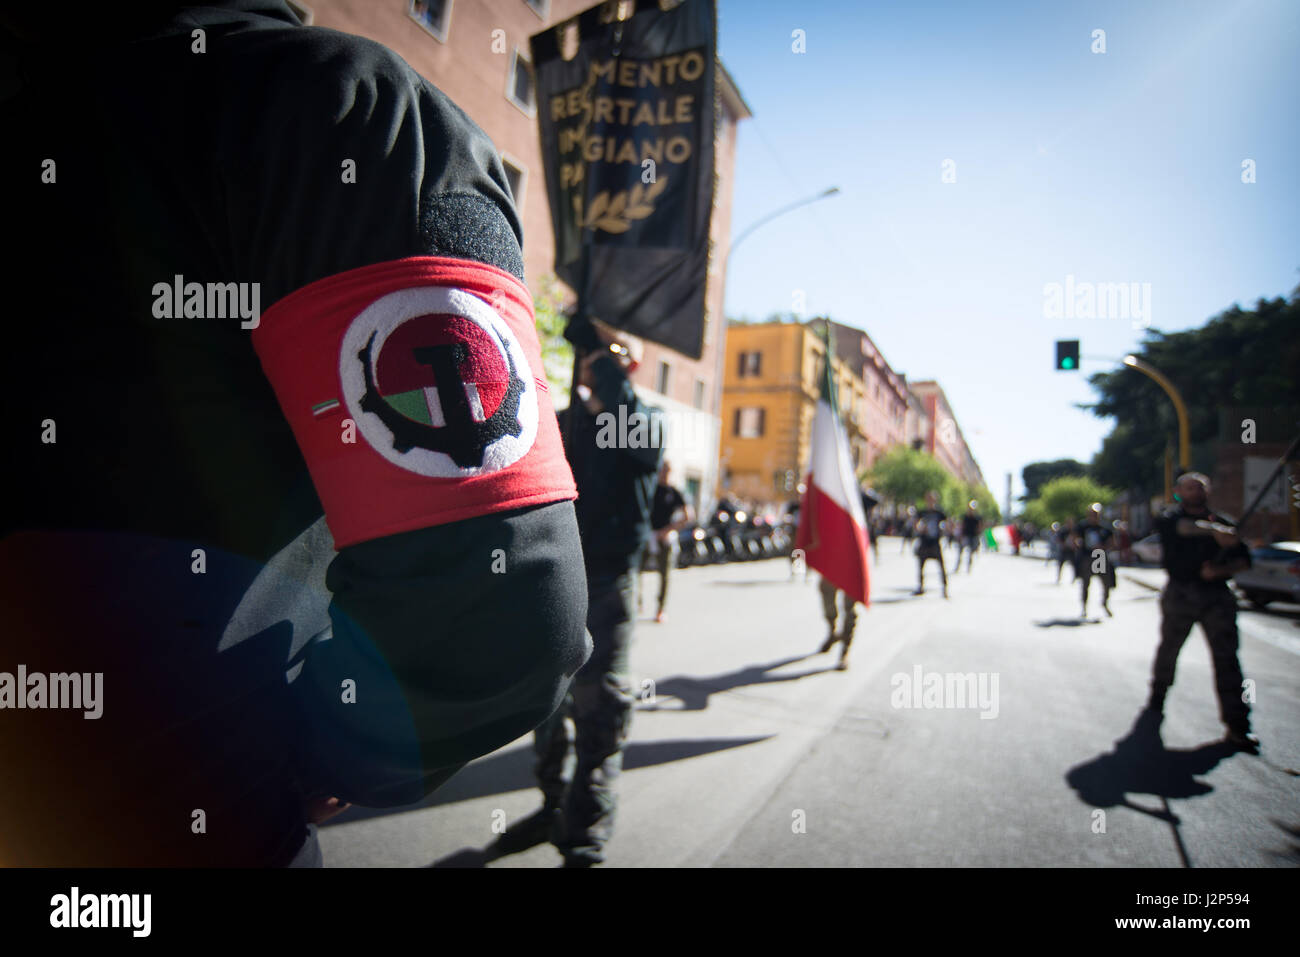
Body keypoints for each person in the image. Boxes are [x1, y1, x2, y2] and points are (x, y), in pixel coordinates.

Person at [1, 1, 589, 865]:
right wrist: (317, 748)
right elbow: (498, 614)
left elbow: (501, 590)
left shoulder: (325, 116)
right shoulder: (343, 113)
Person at [497, 317, 664, 867]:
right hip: (557, 577)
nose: (597, 361)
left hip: (609, 582)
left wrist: (599, 355)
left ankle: (584, 837)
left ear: (627, 366)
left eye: (612, 354)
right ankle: (552, 802)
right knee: (547, 705)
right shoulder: (566, 423)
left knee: (600, 710)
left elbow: (629, 423)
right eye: (594, 353)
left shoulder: (643, 425)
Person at [1145, 473, 1258, 752]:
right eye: (1190, 487)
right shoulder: (1170, 518)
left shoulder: (1226, 524)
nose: (1196, 492)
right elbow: (1181, 528)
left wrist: (1220, 569)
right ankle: (1157, 697)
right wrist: (1214, 533)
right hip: (1180, 593)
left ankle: (1238, 725)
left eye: (1200, 488)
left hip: (1216, 596)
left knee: (1227, 659)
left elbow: (1244, 561)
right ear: (1179, 492)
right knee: (1169, 649)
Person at [817, 487, 878, 669]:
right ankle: (833, 630)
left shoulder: (860, 496)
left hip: (854, 558)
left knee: (849, 606)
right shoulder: (833, 487)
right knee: (826, 593)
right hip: (834, 555)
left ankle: (845, 650)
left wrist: (854, 488)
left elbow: (875, 500)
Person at [641, 461, 693, 623]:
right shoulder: (651, 489)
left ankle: (661, 608)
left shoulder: (674, 492)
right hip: (648, 535)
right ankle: (637, 601)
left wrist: (669, 530)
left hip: (665, 538)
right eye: (662, 470)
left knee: (665, 574)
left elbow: (688, 516)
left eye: (667, 471)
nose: (664, 474)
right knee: (636, 569)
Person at [1074, 504, 1116, 618]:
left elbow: (1112, 542)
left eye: (1096, 514)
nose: (1094, 517)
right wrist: (1079, 544)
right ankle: (1084, 607)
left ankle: (1105, 603)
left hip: (1100, 557)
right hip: (1087, 557)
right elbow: (1076, 539)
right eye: (1091, 514)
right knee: (1085, 584)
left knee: (1106, 583)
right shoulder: (1082, 527)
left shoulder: (1105, 528)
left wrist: (1103, 547)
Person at [912, 491, 948, 598]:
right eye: (929, 499)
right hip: (924, 541)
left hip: (935, 542)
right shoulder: (923, 512)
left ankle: (944, 588)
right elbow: (916, 523)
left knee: (941, 566)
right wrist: (919, 528)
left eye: (932, 499)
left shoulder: (939, 512)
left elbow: (946, 523)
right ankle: (921, 586)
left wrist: (943, 529)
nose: (930, 501)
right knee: (921, 565)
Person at [957, 501, 982, 572]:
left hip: (973, 536)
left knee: (970, 553)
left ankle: (969, 567)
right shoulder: (965, 517)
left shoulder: (977, 518)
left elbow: (979, 527)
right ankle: (958, 566)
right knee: (960, 551)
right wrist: (961, 535)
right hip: (966, 536)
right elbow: (962, 526)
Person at [1055, 519, 1078, 584]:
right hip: (1064, 550)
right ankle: (1059, 577)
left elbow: (1076, 539)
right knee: (1060, 564)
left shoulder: (1074, 530)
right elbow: (1059, 539)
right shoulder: (1063, 530)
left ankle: (1074, 577)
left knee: (1074, 565)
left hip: (1071, 550)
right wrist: (1063, 545)